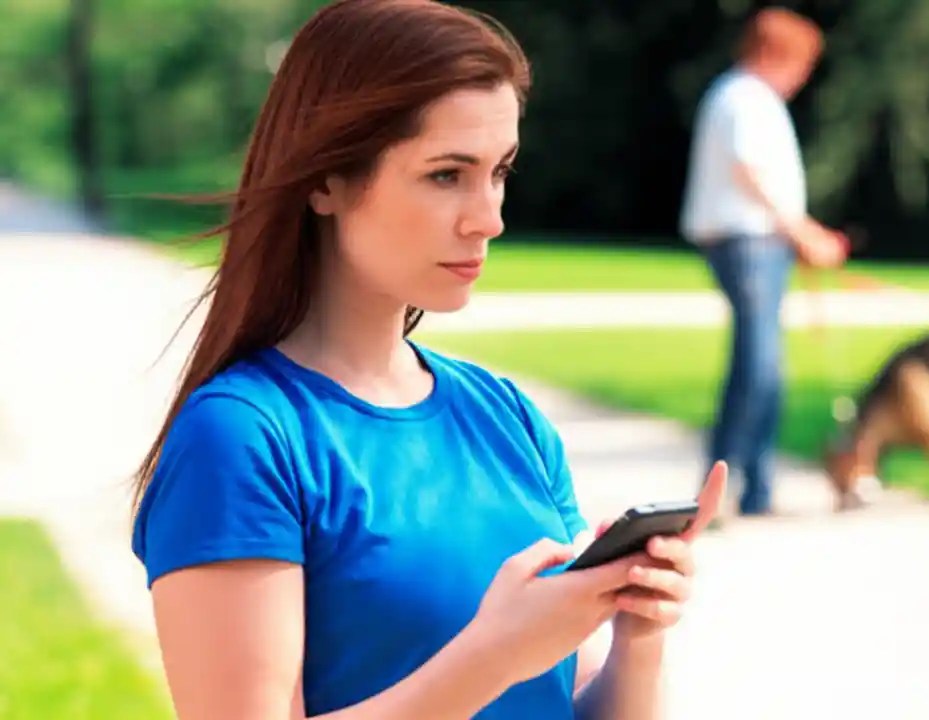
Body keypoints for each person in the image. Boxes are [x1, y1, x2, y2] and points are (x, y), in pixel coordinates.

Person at [129, 1, 726, 718]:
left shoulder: (506, 416)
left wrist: (640, 633)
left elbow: (572, 702)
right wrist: (495, 655)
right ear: (326, 181)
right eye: (447, 174)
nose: (490, 217)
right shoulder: (242, 437)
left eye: (499, 171)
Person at [679, 7, 847, 517]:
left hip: (762, 244)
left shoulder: (748, 98)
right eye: (802, 64)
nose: (803, 77)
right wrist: (805, 232)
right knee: (758, 365)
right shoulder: (744, 97)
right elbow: (749, 172)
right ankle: (725, 484)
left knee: (766, 365)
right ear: (777, 56)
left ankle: (756, 486)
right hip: (747, 242)